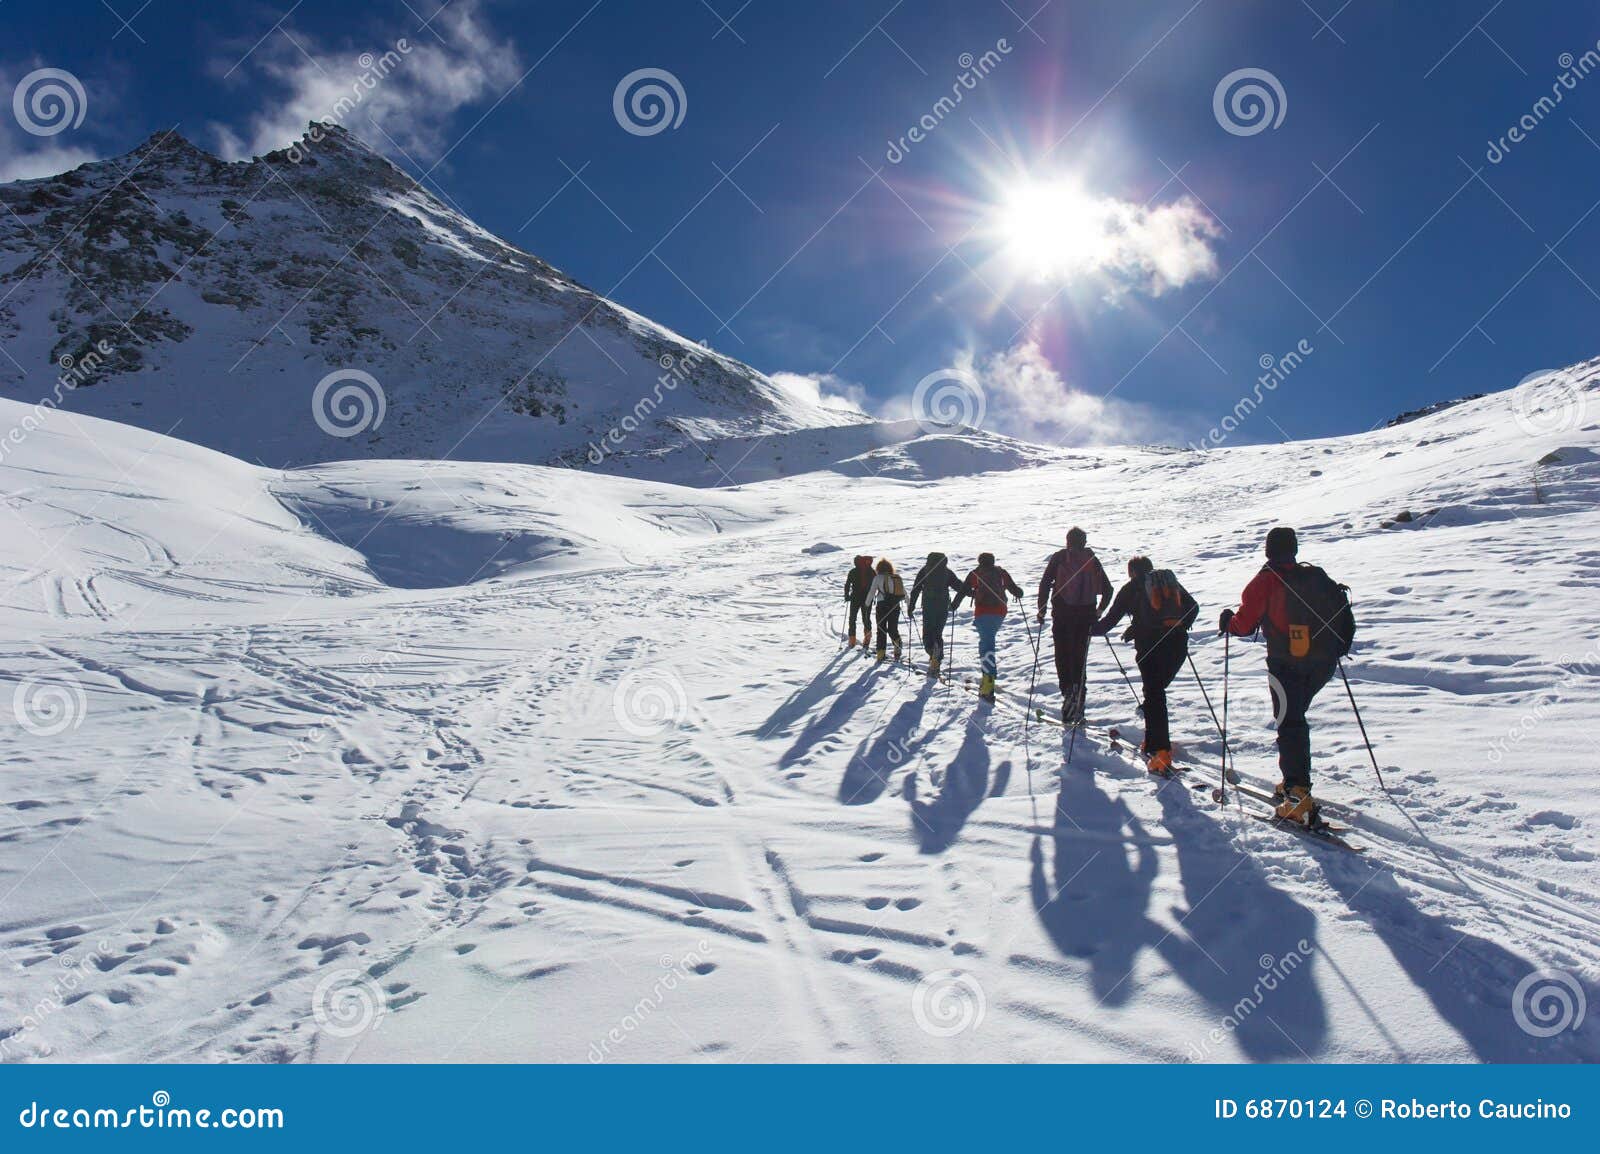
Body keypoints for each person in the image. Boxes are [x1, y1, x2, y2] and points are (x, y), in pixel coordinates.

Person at [1220, 526, 1355, 825]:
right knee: (1295, 721)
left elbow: (1243, 625)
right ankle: (1295, 783)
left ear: (1269, 550)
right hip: (1323, 663)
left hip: (1286, 663)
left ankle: (1296, 795)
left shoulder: (1265, 581)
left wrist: (1229, 622)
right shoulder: (1316, 576)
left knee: (1290, 723)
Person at [1094, 557, 1199, 775]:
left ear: (1132, 571)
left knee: (1154, 695)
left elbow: (1110, 620)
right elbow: (1193, 607)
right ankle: (1153, 743)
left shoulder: (1131, 588)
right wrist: (1176, 627)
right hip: (1178, 644)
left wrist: (1086, 629)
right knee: (1155, 694)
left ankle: (1161, 751)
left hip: (1150, 648)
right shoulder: (1169, 583)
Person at [1037, 527, 1114, 725]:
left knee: (1063, 656)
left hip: (1062, 614)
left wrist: (1042, 608)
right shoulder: (1091, 559)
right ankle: (1079, 702)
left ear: (1068, 541)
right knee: (1079, 659)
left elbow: (1045, 582)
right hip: (1086, 615)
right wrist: (1099, 611)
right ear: (1084, 541)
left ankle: (1068, 695)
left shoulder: (1060, 557)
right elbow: (1108, 589)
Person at [952, 552, 1024, 702]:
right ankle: (987, 679)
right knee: (987, 642)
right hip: (1000, 612)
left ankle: (988, 682)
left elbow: (963, 590)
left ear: (980, 562)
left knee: (986, 646)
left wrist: (954, 605)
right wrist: (1019, 592)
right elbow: (1015, 590)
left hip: (983, 612)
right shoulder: (1001, 572)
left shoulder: (975, 574)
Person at [908, 552, 964, 678]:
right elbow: (960, 587)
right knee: (938, 634)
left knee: (928, 633)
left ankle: (933, 654)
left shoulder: (925, 571)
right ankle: (936, 662)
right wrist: (970, 594)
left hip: (928, 606)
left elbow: (916, 588)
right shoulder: (947, 572)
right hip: (943, 606)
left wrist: (911, 606)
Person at [866, 558, 906, 663]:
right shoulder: (896, 578)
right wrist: (909, 605)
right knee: (893, 628)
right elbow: (904, 592)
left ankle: (881, 654)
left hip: (882, 606)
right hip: (895, 606)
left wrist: (867, 604)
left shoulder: (877, 578)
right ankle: (897, 643)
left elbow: (871, 592)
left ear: (878, 568)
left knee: (881, 629)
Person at [843, 555, 875, 647]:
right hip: (868, 598)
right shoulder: (871, 571)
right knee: (866, 618)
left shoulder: (853, 571)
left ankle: (852, 640)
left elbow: (847, 584)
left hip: (855, 598)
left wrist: (846, 595)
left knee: (852, 618)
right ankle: (867, 638)